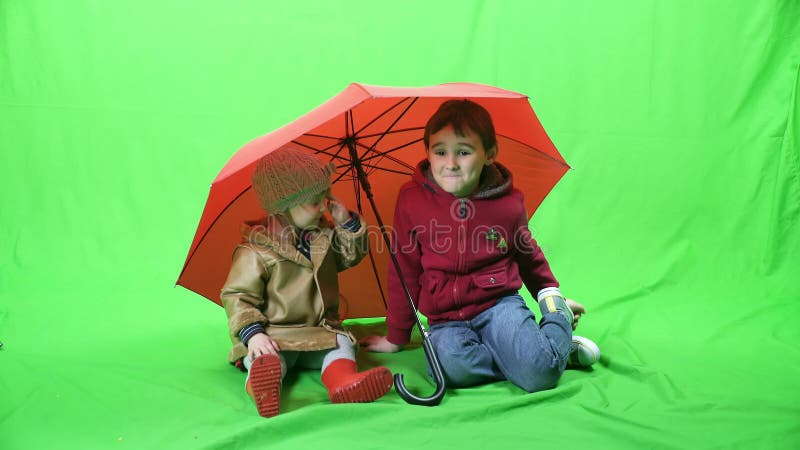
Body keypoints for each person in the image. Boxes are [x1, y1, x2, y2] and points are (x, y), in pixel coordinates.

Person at [360, 99, 600, 393]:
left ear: (489, 154)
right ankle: (545, 353)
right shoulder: (412, 201)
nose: (450, 163)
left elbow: (528, 254)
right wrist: (396, 336)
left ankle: (556, 323)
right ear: (429, 154)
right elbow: (404, 271)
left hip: (498, 306)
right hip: (446, 319)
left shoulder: (507, 203)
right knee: (446, 369)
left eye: (463, 151)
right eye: (440, 152)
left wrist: (547, 292)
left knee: (541, 376)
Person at [221, 145, 393, 418]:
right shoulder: (256, 250)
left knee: (341, 345)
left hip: (320, 330)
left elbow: (349, 257)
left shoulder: (322, 237)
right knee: (266, 358)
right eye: (316, 201)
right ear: (284, 204)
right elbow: (238, 296)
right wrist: (253, 335)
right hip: (275, 334)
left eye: (326, 197)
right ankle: (261, 385)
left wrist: (346, 224)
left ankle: (342, 383)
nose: (324, 206)